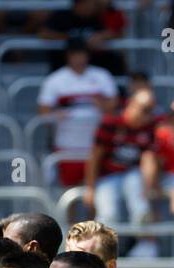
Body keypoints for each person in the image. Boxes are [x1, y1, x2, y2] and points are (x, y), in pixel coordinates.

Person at [37, 36, 119, 188]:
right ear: (68, 56)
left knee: (98, 189)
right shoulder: (55, 80)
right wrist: (56, 115)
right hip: (68, 145)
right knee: (70, 189)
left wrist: (102, 105)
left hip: (98, 145)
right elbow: (43, 111)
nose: (79, 58)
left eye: (82, 54)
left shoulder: (102, 76)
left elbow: (114, 105)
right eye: (75, 54)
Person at [82, 88, 161, 228]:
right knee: (108, 214)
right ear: (131, 104)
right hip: (108, 176)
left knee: (140, 206)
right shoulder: (111, 123)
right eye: (144, 109)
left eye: (150, 111)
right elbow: (95, 157)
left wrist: (149, 190)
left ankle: (144, 243)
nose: (146, 115)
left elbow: (149, 159)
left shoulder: (150, 128)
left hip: (133, 176)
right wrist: (90, 188)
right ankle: (101, 248)